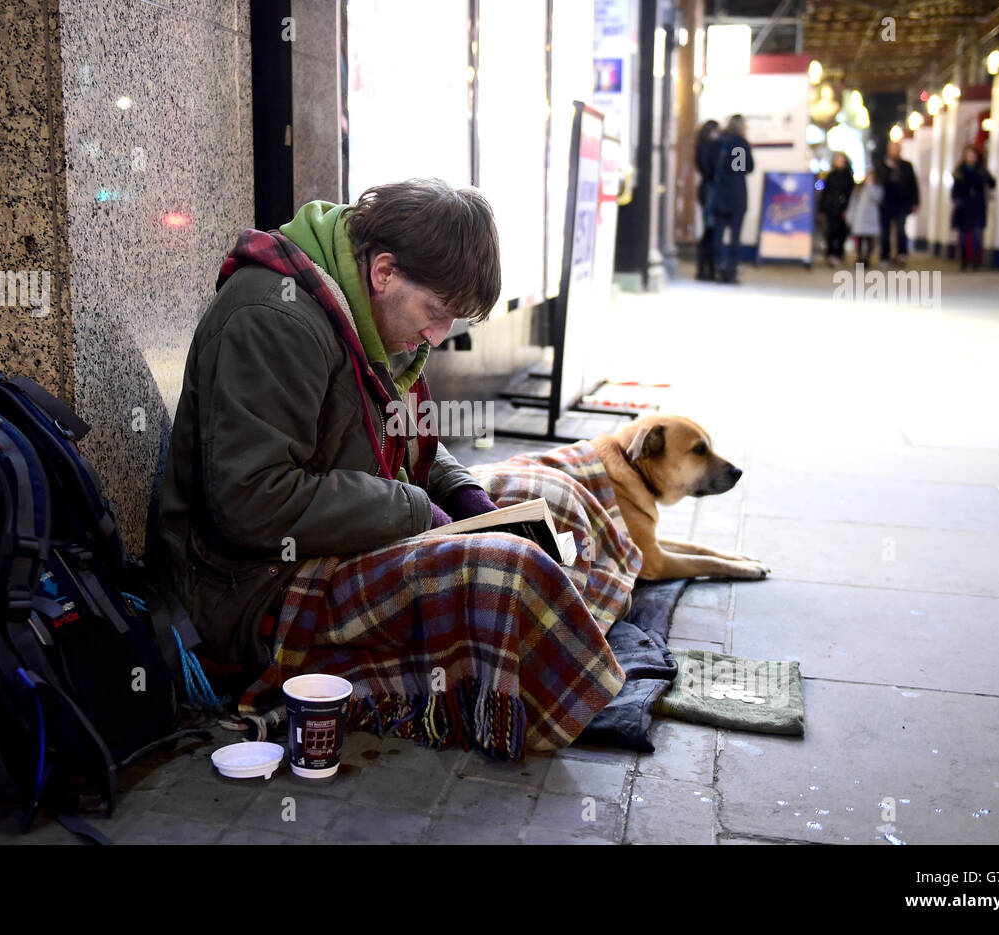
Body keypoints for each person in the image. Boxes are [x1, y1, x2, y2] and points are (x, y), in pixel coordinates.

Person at [155, 178, 642, 759]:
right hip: (249, 588)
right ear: (384, 271)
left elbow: (406, 445)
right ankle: (564, 677)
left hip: (335, 536)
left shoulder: (370, 305)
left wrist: (461, 496)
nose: (438, 336)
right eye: (437, 313)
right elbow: (252, 503)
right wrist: (416, 510)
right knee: (505, 569)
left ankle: (563, 647)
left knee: (552, 499)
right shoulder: (273, 319)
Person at [706, 114, 754, 284]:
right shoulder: (739, 144)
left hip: (720, 194)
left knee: (718, 233)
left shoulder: (719, 142)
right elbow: (740, 168)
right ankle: (732, 269)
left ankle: (718, 265)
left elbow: (710, 166)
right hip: (736, 195)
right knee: (735, 236)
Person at [950, 144, 995, 270]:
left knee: (978, 235)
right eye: (968, 155)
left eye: (973, 155)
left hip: (978, 207)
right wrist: (957, 200)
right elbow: (955, 190)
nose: (971, 157)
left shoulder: (981, 170)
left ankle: (976, 261)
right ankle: (964, 261)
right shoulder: (960, 171)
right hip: (964, 207)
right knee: (963, 236)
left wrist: (985, 176)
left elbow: (992, 183)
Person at [875, 139, 919, 266]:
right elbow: (878, 183)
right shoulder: (881, 166)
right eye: (892, 149)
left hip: (902, 203)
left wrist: (915, 202)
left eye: (897, 149)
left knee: (901, 229)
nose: (895, 151)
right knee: (885, 231)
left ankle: (902, 254)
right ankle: (885, 256)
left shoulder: (906, 166)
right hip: (885, 203)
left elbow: (913, 185)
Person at [694, 119, 721, 281]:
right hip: (710, 191)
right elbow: (711, 169)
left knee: (709, 230)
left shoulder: (701, 147)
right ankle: (706, 268)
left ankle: (705, 268)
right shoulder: (709, 148)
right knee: (710, 230)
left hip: (706, 190)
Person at [818, 152, 855, 267]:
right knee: (830, 232)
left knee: (841, 232)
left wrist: (848, 209)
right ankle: (830, 254)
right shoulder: (830, 176)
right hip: (831, 208)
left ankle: (839, 254)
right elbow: (824, 193)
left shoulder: (848, 177)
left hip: (843, 209)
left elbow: (851, 194)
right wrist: (822, 209)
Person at [848, 175, 882, 266]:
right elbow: (853, 202)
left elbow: (877, 198)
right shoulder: (858, 189)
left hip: (871, 219)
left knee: (870, 240)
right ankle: (859, 258)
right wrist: (850, 215)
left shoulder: (877, 189)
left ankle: (867, 258)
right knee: (859, 239)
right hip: (859, 218)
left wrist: (870, 187)